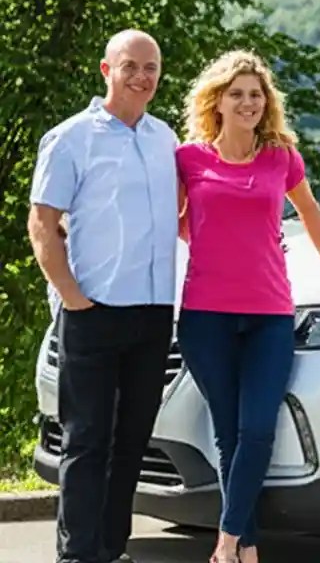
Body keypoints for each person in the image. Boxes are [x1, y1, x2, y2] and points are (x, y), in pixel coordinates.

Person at [175, 50, 320, 563]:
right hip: (205, 317)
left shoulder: (281, 158)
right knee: (228, 433)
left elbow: (312, 216)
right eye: (237, 94)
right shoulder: (189, 160)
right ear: (217, 101)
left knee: (256, 430)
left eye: (256, 94)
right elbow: (167, 221)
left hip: (271, 313)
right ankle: (246, 548)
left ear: (265, 102)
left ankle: (227, 543)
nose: (248, 102)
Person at [28, 29, 180, 563]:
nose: (143, 77)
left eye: (152, 68)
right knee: (87, 441)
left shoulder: (166, 139)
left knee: (131, 441)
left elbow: (181, 220)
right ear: (106, 70)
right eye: (131, 66)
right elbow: (43, 223)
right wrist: (71, 297)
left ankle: (112, 550)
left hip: (155, 313)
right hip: (92, 312)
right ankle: (77, 555)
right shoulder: (71, 138)